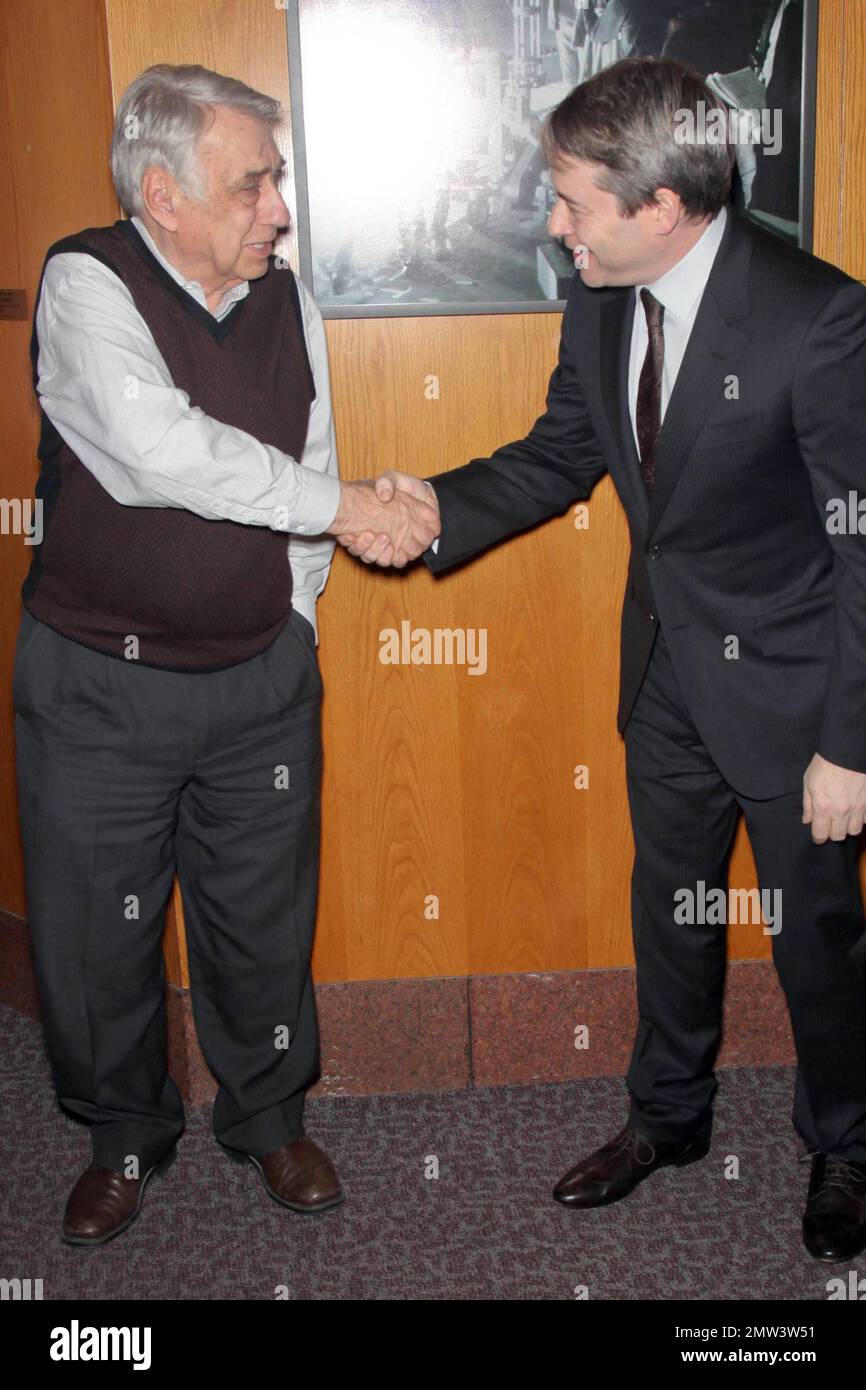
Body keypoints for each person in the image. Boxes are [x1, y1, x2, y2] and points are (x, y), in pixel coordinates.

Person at [338, 56, 866, 1262]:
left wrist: (848, 739)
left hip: (797, 705)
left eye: (572, 200)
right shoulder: (595, 303)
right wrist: (429, 507)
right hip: (666, 678)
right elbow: (557, 454)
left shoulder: (816, 316)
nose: (553, 221)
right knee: (668, 915)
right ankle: (666, 1118)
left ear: (660, 207)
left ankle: (843, 1139)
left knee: (813, 937)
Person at [16, 62, 439, 1247]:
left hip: (258, 679)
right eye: (252, 183)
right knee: (97, 929)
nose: (278, 208)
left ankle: (267, 1116)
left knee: (260, 918)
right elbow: (158, 449)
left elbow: (312, 444)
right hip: (101, 683)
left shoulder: (282, 298)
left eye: (277, 179)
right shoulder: (84, 280)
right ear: (163, 193)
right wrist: (344, 508)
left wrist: (297, 613)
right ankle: (123, 1135)